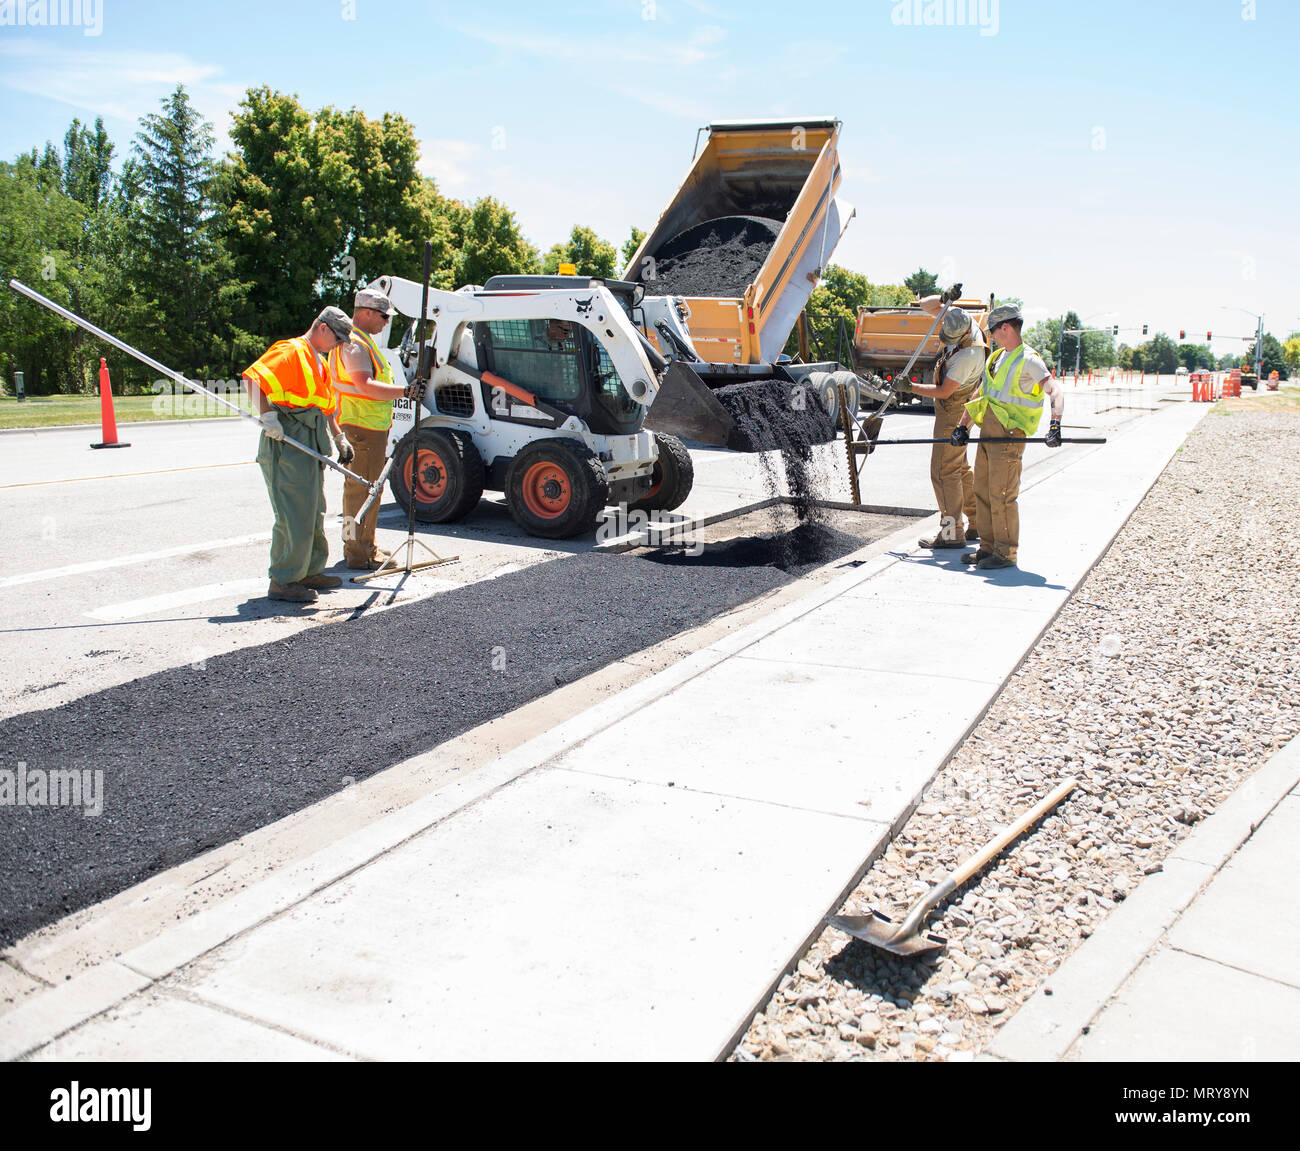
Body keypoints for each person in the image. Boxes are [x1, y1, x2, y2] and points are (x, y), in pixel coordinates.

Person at [242, 306, 356, 602]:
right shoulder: (291, 350)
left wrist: (339, 436)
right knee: (293, 513)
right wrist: (268, 417)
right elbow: (251, 379)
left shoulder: (318, 360)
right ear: (323, 329)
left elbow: (325, 406)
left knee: (313, 509)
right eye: (337, 339)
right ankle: (283, 579)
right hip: (287, 441)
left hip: (310, 441)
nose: (337, 345)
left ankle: (308, 570)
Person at [950, 303, 1064, 570]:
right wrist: (962, 426)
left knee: (1002, 494)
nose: (990, 336)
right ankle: (987, 548)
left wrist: (1055, 425)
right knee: (982, 492)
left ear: (1006, 327)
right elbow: (980, 394)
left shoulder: (1029, 360)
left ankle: (1006, 553)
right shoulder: (995, 358)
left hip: (1010, 436)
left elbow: (1055, 391)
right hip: (988, 435)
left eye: (993, 331)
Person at [329, 287, 425, 569]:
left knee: (364, 489)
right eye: (383, 316)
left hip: (366, 424)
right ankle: (359, 553)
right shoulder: (355, 344)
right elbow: (364, 385)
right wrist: (405, 391)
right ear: (367, 313)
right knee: (361, 490)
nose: (386, 322)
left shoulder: (359, 341)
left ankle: (362, 544)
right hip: (361, 425)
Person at [903, 305, 986, 548]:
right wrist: (944, 300)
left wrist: (911, 388)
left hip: (953, 413)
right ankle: (977, 522)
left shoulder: (967, 357)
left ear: (963, 335)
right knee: (959, 468)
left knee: (942, 472)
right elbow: (927, 304)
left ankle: (951, 534)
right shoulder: (963, 319)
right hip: (961, 410)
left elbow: (943, 391)